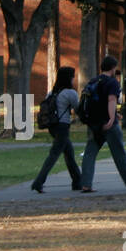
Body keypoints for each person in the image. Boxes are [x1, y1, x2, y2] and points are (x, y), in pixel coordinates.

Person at [79, 56, 126, 192]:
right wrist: (111, 118)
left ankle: (86, 184)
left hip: (94, 123)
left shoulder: (93, 81)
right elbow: (111, 101)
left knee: (90, 153)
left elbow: (97, 103)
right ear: (113, 68)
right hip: (108, 123)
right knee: (119, 153)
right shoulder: (112, 82)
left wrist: (114, 114)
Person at [31, 65, 81, 193]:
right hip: (63, 126)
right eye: (72, 77)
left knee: (69, 153)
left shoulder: (52, 92)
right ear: (68, 78)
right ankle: (38, 182)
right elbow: (78, 109)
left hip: (52, 126)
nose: (73, 80)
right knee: (54, 155)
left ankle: (77, 182)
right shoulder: (70, 93)